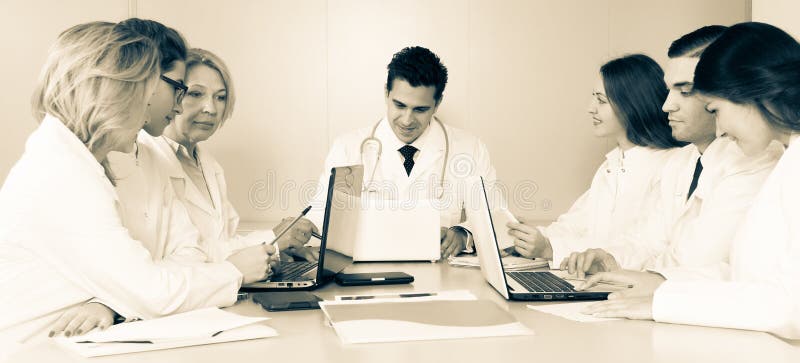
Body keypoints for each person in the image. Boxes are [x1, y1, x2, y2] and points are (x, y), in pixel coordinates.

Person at [0, 21, 271, 346]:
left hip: (96, 342)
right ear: (108, 89)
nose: (147, 106)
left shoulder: (85, 162)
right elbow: (150, 291)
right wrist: (231, 272)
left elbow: (182, 257)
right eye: (142, 90)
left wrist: (125, 296)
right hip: (37, 348)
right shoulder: (59, 172)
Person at [580, 22, 800, 340]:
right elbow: (745, 275)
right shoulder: (787, 161)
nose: (720, 128)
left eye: (716, 109)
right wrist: (654, 283)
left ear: (752, 92)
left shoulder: (782, 166)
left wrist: (663, 301)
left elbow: (791, 305)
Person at [561, 25, 782, 279]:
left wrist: (651, 280)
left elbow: (698, 262)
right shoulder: (681, 162)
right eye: (668, 91)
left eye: (685, 91)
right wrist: (612, 260)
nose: (666, 105)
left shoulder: (755, 161)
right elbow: (648, 240)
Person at [120, 46, 318, 263]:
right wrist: (272, 240)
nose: (211, 108)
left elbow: (224, 245)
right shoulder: (139, 157)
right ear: (171, 94)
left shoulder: (208, 165)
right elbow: (184, 257)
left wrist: (278, 250)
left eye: (220, 97)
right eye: (195, 93)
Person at [309, 46, 501, 259]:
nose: (407, 120)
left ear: (437, 104)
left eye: (420, 109)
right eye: (399, 105)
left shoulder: (470, 148)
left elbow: (496, 217)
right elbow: (320, 218)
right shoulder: (348, 147)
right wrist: (302, 231)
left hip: (441, 276)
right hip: (365, 275)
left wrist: (464, 233)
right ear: (386, 93)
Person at [507, 54, 683, 264]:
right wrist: (531, 237)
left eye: (601, 100)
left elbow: (643, 247)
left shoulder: (670, 166)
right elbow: (575, 224)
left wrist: (550, 248)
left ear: (632, 104)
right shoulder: (612, 165)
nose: (590, 108)